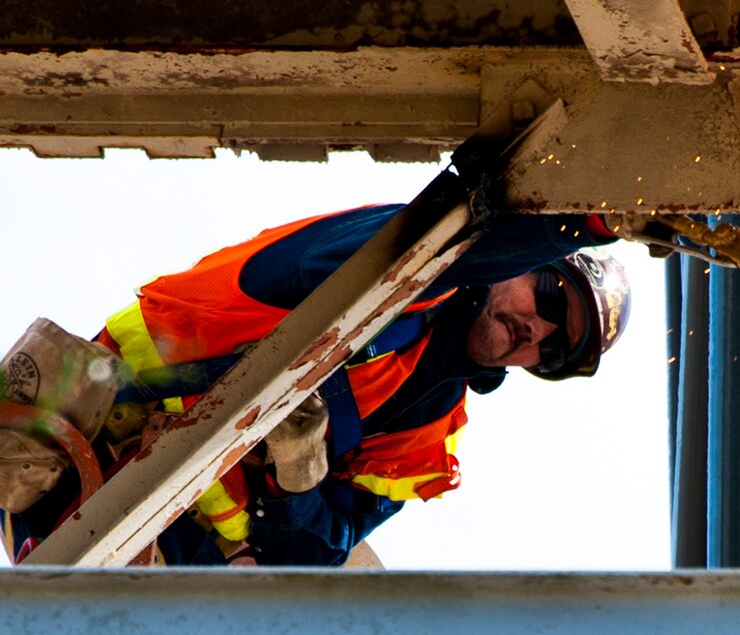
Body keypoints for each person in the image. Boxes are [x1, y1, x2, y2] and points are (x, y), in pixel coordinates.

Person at [6, 203, 630, 566]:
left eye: (556, 349)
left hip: (185, 546)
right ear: (519, 262)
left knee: (326, 603)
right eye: (548, 295)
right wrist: (588, 221)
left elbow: (321, 547)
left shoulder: (425, 435)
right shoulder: (407, 265)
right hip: (90, 433)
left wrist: (296, 474)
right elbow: (460, 247)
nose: (536, 329)